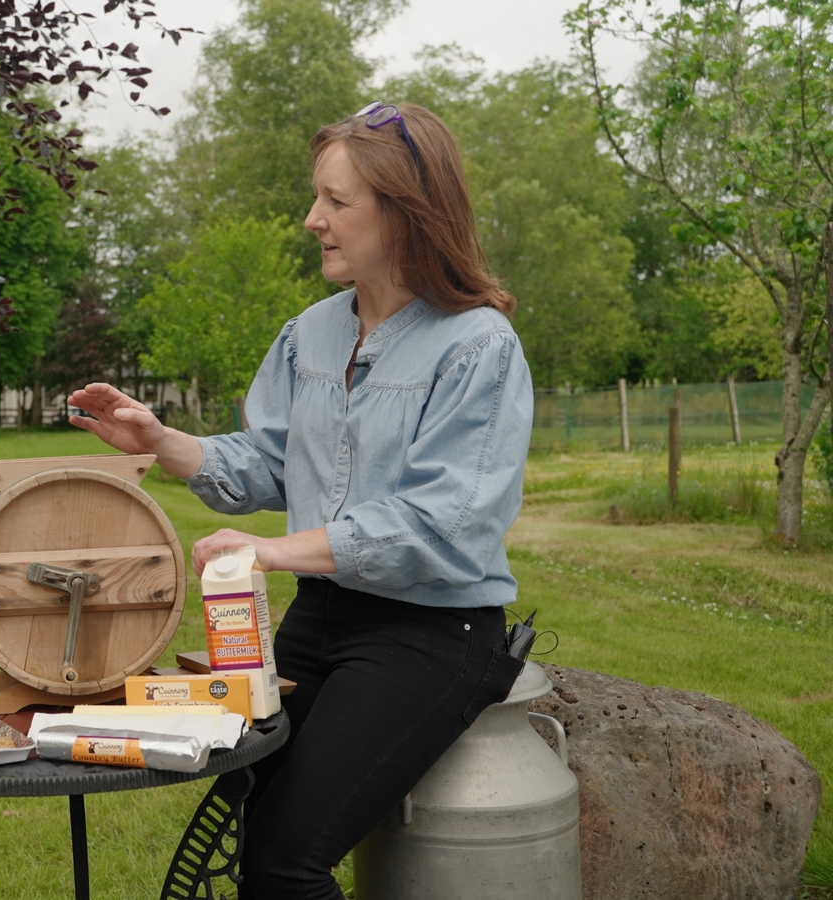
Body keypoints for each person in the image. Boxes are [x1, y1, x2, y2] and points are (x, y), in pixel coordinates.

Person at [67, 102, 533, 899]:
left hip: (427, 634)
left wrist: (274, 552)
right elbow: (276, 461)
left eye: (336, 202)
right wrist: (160, 441)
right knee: (246, 820)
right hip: (317, 620)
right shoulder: (310, 334)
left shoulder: (477, 346)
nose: (312, 219)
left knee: (285, 860)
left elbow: (441, 524)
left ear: (407, 212)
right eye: (317, 197)